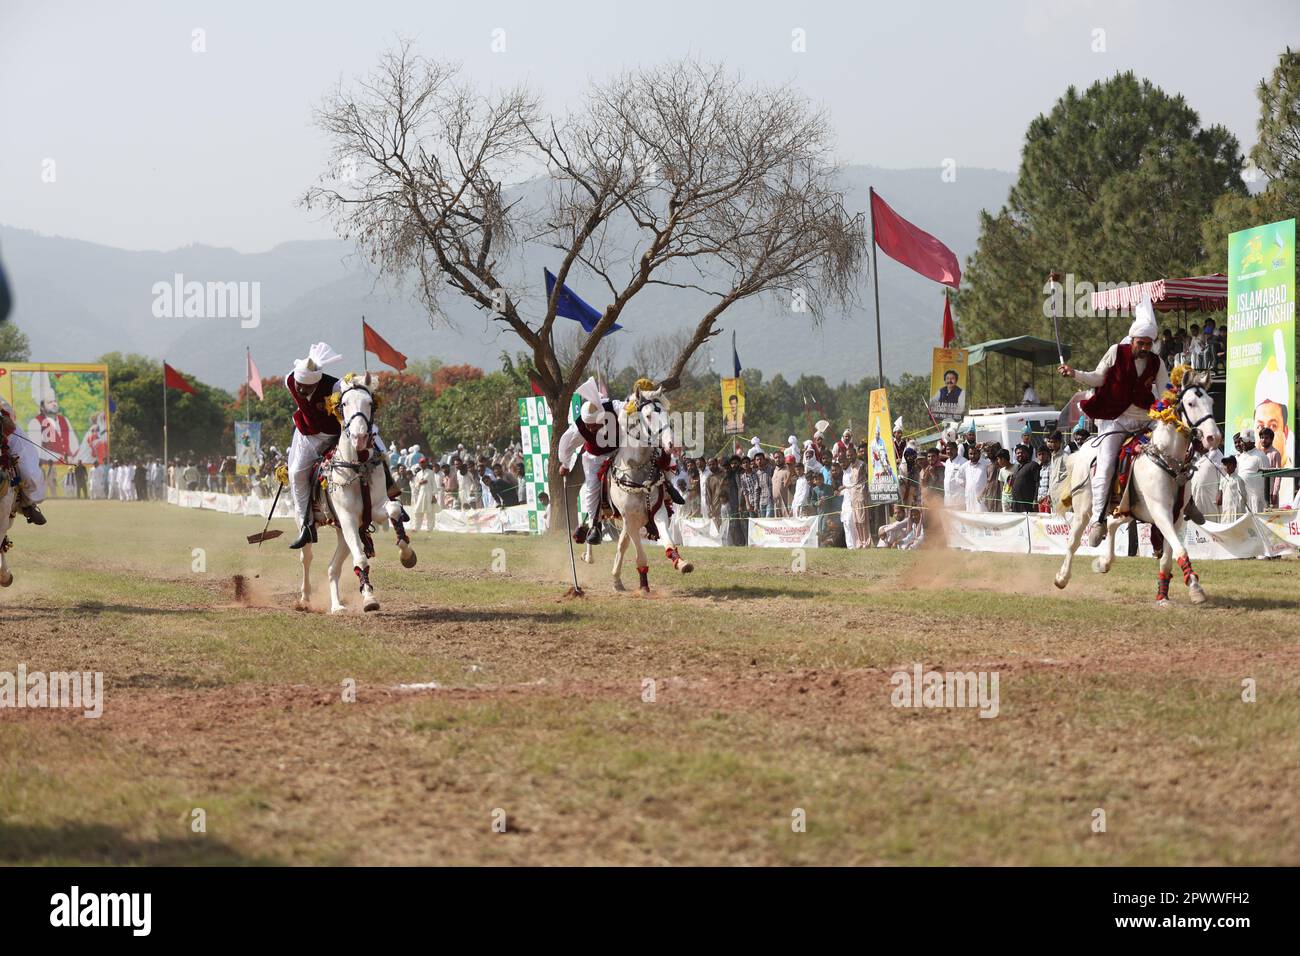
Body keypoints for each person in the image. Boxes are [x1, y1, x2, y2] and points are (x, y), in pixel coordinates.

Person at [1058, 299, 1168, 546]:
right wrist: (1074, 373)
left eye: (1149, 344)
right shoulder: (1116, 351)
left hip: (1146, 421)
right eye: (1141, 343)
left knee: (1174, 448)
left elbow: (1166, 391)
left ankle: (1186, 503)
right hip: (1116, 421)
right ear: (1132, 340)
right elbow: (1098, 378)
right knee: (1106, 463)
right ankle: (1098, 519)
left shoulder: (1157, 362)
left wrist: (1169, 412)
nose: (1145, 348)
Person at [285, 342, 346, 549]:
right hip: (307, 436)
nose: (301, 389)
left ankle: (390, 497)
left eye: (307, 387)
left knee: (371, 448)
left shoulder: (336, 387)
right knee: (295, 474)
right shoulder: (290, 380)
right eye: (299, 385)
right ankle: (306, 526)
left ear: (317, 382)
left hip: (334, 435)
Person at [556, 385, 619, 544]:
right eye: (588, 425)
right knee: (591, 489)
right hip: (595, 458)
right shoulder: (579, 427)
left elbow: (630, 407)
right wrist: (565, 464)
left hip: (619, 450)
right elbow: (566, 444)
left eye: (594, 424)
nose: (591, 429)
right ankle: (594, 526)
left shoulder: (614, 408)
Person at [0, 393, 48, 524]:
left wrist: (3, 419)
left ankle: (27, 504)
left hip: (7, 438)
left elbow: (9, 422)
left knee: (27, 472)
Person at [1234, 428, 1270, 514]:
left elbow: (1268, 478)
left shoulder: (1261, 456)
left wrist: (1267, 499)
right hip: (1243, 498)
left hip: (1257, 499)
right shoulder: (1241, 457)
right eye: (1241, 441)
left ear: (1252, 441)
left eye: (1244, 441)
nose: (1242, 443)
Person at [1189, 433, 1223, 521]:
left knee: (1210, 521)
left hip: (1210, 497)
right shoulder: (1196, 457)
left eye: (1201, 443)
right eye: (1197, 444)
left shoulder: (1218, 456)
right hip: (1196, 496)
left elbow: (1224, 476)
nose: (1199, 446)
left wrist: (1220, 493)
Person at [1009, 443, 1040, 514]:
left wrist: (1035, 499)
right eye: (1017, 453)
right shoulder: (1017, 468)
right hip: (1016, 504)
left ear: (1027, 454)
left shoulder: (1033, 465)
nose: (1019, 454)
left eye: (1021, 452)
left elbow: (1037, 483)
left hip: (1027, 504)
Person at [963, 444, 989, 513]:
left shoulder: (986, 464)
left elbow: (990, 480)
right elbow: (958, 477)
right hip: (969, 497)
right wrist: (967, 486)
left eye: (975, 453)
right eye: (970, 454)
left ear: (979, 454)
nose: (973, 456)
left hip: (982, 498)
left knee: (982, 518)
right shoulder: (965, 465)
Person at [942, 440, 966, 510]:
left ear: (957, 449)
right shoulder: (947, 461)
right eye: (947, 449)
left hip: (959, 500)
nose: (949, 451)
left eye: (952, 449)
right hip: (948, 499)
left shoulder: (963, 462)